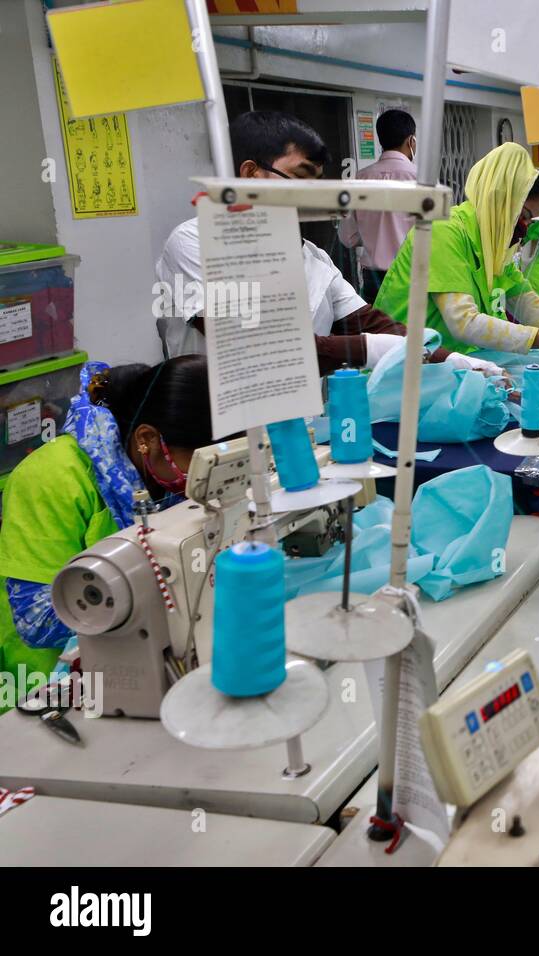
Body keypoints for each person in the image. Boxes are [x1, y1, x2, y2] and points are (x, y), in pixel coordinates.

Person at [156, 111, 456, 375]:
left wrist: (449, 359)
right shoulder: (193, 242)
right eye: (298, 178)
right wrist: (369, 350)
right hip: (212, 429)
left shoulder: (313, 258)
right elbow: (254, 343)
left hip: (296, 424)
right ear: (250, 174)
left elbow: (369, 322)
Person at [0, 358, 215, 702]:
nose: (204, 478)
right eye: (200, 463)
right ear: (147, 440)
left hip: (156, 648)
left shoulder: (165, 478)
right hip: (54, 681)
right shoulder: (51, 478)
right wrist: (164, 588)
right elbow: (36, 620)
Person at [374, 142, 539, 361]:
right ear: (501, 203)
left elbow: (527, 305)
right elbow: (463, 322)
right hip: (409, 367)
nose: (525, 228)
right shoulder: (442, 231)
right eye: (522, 216)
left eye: (530, 221)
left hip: (457, 361)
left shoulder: (495, 247)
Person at [338, 109, 419, 302]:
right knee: (416, 330)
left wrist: (374, 235)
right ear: (411, 141)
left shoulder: (359, 179)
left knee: (379, 329)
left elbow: (347, 237)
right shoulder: (422, 179)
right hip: (412, 275)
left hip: (374, 278)